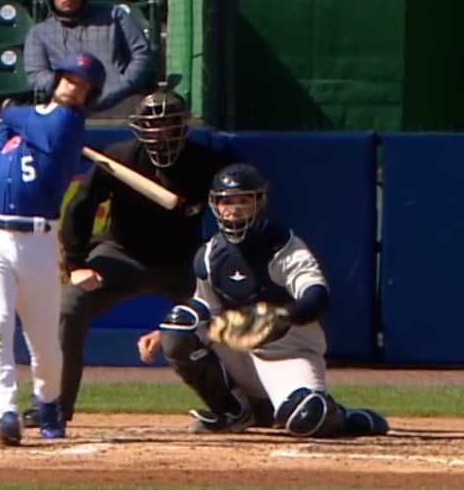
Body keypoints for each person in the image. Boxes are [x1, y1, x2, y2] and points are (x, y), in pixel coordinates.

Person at [22, 88, 232, 428]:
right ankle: (52, 403)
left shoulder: (207, 162)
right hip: (121, 255)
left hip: (181, 261)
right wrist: (77, 264)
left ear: (183, 125)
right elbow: (80, 208)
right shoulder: (119, 157)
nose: (161, 132)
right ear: (140, 128)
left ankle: (234, 405)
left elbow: (232, 210)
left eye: (169, 124)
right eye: (153, 125)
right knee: (69, 309)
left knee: (225, 313)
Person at [136, 163, 389, 436]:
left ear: (259, 203)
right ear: (215, 205)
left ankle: (342, 416)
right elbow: (205, 308)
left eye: (242, 201)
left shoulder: (281, 244)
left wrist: (282, 317)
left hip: (288, 352)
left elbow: (317, 296)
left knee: (306, 419)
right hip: (240, 349)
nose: (233, 210)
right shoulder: (210, 254)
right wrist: (165, 334)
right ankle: (233, 411)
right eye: (226, 202)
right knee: (177, 326)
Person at [0, 52, 105, 446]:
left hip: (38, 243)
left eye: (82, 86)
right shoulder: (22, 123)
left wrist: (9, 112)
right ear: (57, 79)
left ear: (89, 96)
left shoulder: (69, 124)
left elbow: (16, 117)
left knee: (43, 340)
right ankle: (4, 410)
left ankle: (48, 403)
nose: (73, 88)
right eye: (69, 79)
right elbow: (4, 141)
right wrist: (11, 117)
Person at [22, 0, 153, 116]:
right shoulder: (38, 33)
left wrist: (124, 85)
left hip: (120, 100)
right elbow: (37, 75)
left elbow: (142, 54)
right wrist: (72, 90)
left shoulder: (115, 16)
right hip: (67, 107)